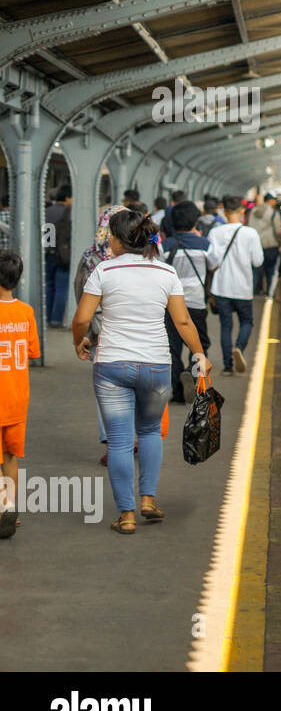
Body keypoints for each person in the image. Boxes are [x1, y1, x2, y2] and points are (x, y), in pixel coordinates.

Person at [71, 210, 210, 535]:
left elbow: (81, 318)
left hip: (112, 366)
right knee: (149, 432)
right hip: (155, 365)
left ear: (118, 240)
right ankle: (148, 498)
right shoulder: (165, 272)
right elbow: (183, 321)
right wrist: (200, 354)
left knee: (119, 442)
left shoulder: (104, 270)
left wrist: (81, 342)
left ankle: (127, 515)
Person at [75, 204, 127, 466]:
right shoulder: (141, 256)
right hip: (134, 333)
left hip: (100, 334)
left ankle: (112, 442)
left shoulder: (90, 257)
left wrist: (83, 334)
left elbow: (80, 295)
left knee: (105, 391)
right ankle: (133, 438)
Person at [0, 250, 40, 539]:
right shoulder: (25, 311)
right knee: (11, 456)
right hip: (17, 397)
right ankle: (11, 509)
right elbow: (32, 351)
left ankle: (1, 509)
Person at [160, 201, 216, 403]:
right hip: (196, 303)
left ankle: (176, 392)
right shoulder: (205, 245)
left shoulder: (165, 246)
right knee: (199, 345)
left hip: (171, 305)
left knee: (173, 349)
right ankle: (196, 381)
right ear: (196, 221)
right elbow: (215, 265)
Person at [208, 195, 262, 375]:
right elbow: (257, 261)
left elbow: (211, 262)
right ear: (242, 212)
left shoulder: (215, 233)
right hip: (243, 288)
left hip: (222, 287)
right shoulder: (250, 233)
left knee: (226, 326)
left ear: (224, 212)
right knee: (247, 321)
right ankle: (238, 347)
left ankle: (228, 366)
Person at [44, 184, 73, 327]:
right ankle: (56, 319)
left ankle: (47, 317)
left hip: (48, 253)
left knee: (49, 286)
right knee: (61, 288)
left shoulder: (46, 212)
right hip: (64, 256)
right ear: (68, 198)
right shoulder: (70, 214)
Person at [248, 193, 281, 296]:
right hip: (270, 245)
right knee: (270, 270)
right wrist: (280, 242)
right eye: (273, 200)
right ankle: (269, 292)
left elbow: (249, 227)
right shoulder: (273, 212)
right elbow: (278, 230)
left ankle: (255, 291)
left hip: (255, 246)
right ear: (269, 201)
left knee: (256, 270)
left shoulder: (253, 212)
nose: (275, 202)